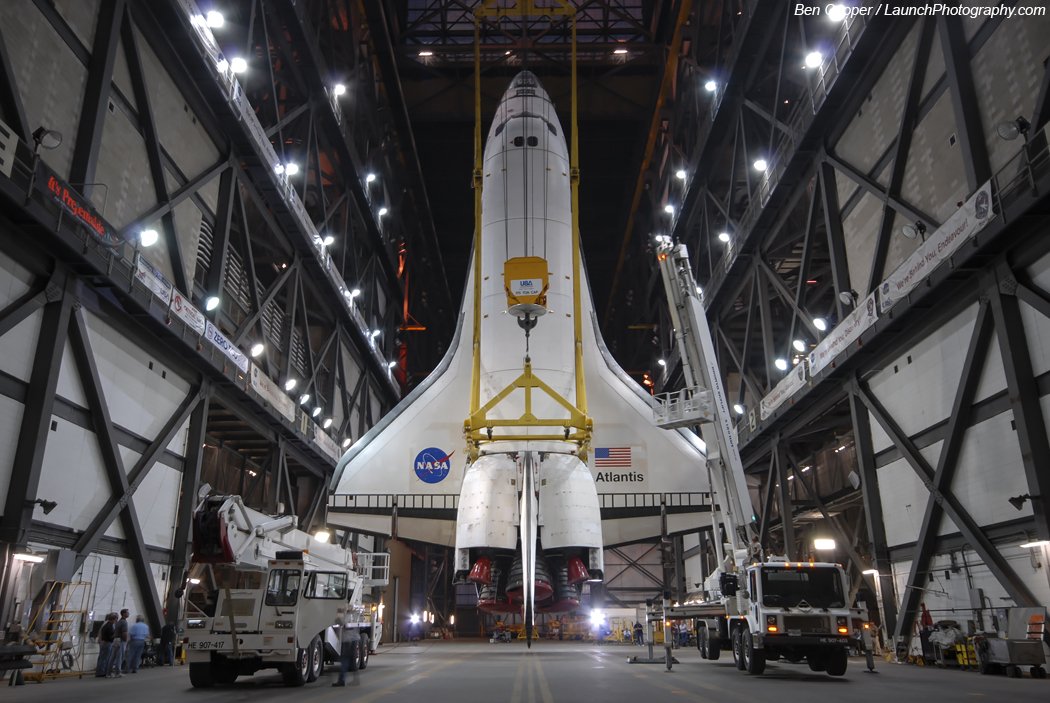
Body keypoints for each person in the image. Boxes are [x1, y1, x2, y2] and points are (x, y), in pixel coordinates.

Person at [332, 617, 359, 687]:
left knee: (344, 660)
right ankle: (355, 680)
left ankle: (341, 680)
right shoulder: (354, 616)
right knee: (352, 661)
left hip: (348, 640)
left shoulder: (347, 616)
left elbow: (345, 624)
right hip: (353, 639)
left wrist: (338, 621)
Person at [94, 613, 117, 678]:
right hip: (107, 643)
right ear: (113, 619)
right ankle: (102, 672)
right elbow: (110, 636)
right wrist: (115, 635)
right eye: (115, 619)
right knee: (105, 658)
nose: (115, 621)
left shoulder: (106, 624)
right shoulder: (109, 626)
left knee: (102, 657)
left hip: (104, 642)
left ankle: (100, 671)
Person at [109, 608, 129, 676]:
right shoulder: (124, 622)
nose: (128, 614)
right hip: (121, 641)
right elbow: (124, 633)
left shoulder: (119, 622)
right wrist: (126, 641)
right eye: (127, 612)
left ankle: (109, 672)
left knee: (113, 657)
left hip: (116, 640)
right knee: (120, 657)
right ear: (123, 614)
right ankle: (118, 672)